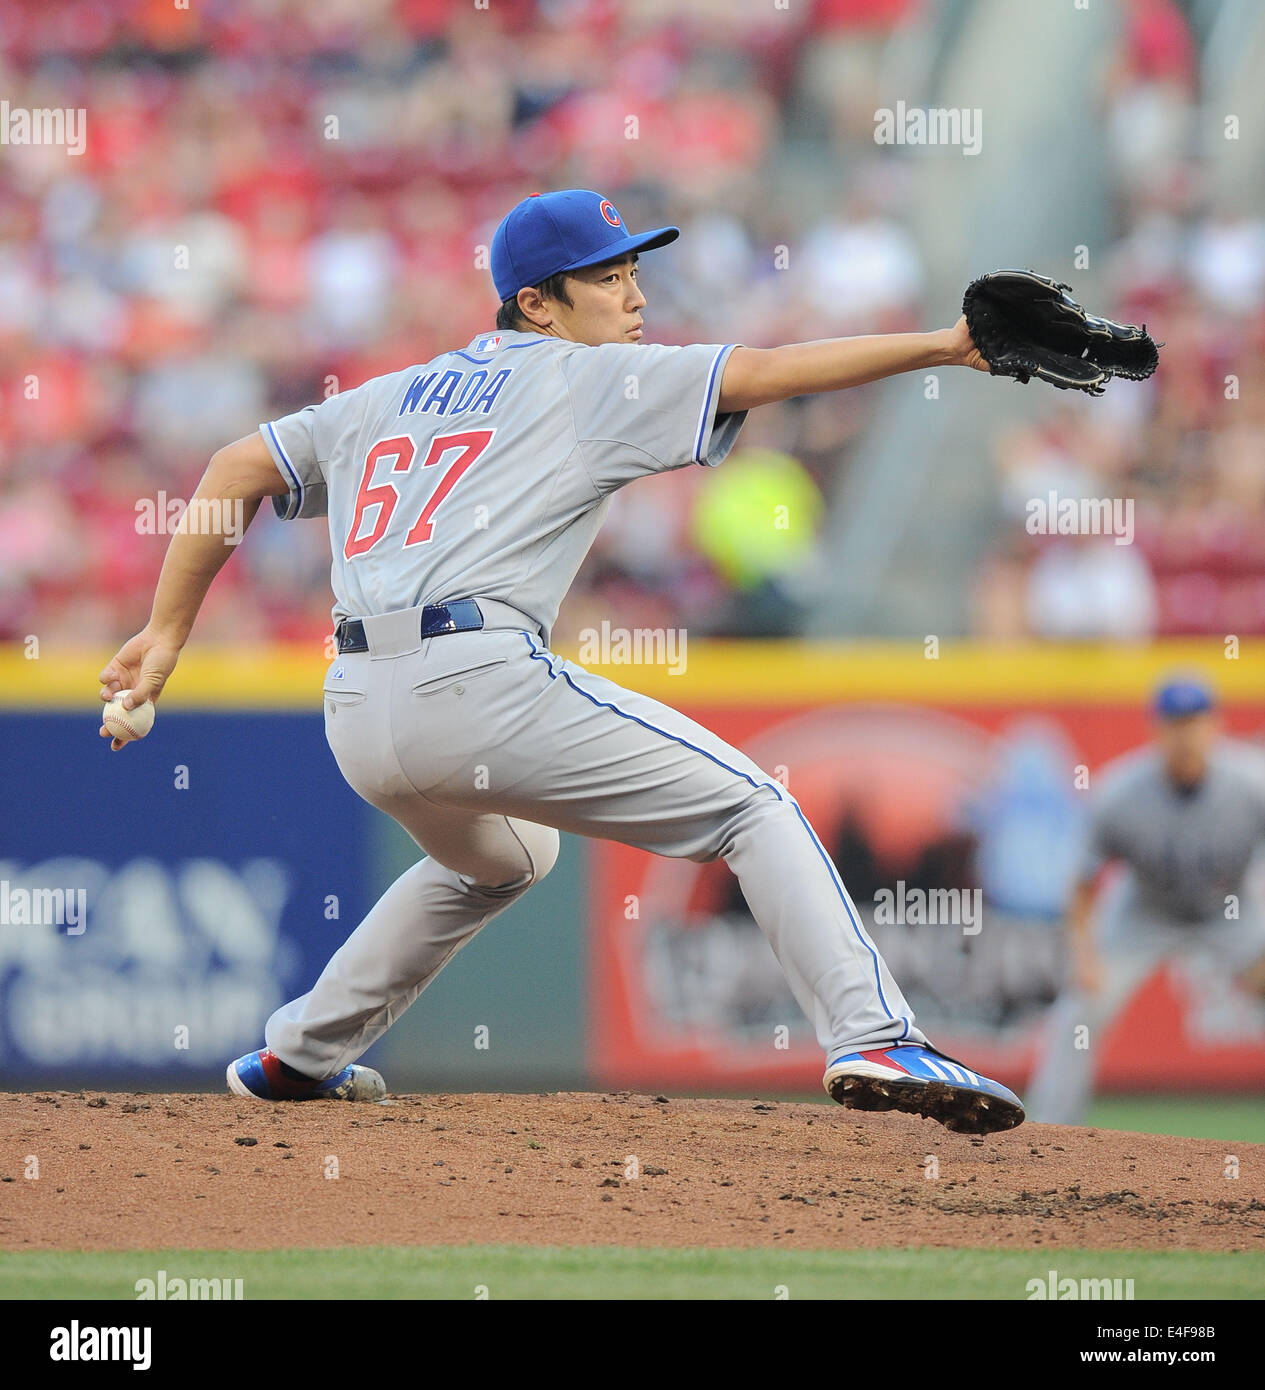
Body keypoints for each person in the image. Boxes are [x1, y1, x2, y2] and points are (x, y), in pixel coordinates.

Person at [98, 188, 1023, 1133]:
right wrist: (944, 347)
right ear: (536, 303)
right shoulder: (586, 380)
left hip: (356, 708)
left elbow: (233, 469)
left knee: (502, 861)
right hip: (473, 681)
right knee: (753, 805)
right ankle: (871, 1032)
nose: (633, 297)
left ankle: (297, 1056)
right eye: (606, 277)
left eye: (634, 273)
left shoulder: (383, 394)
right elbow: (766, 369)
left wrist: (167, 633)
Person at [1028, 678, 1265, 1124]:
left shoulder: (1252, 782)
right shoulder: (1120, 790)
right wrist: (1084, 956)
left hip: (1228, 909)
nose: (1185, 735)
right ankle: (1046, 1135)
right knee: (1079, 1013)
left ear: (1215, 726)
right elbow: (1083, 882)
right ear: (1156, 730)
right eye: (1175, 724)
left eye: (1194, 722)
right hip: (1143, 912)